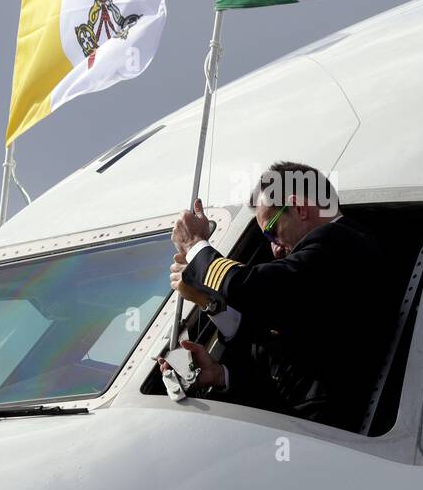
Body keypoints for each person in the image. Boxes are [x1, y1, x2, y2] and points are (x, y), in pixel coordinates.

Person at [164, 161, 394, 432]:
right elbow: (276, 341)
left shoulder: (339, 242)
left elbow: (253, 289)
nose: (274, 249)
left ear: (298, 208)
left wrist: (194, 246)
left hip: (328, 433)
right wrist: (220, 372)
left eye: (271, 231)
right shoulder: (323, 262)